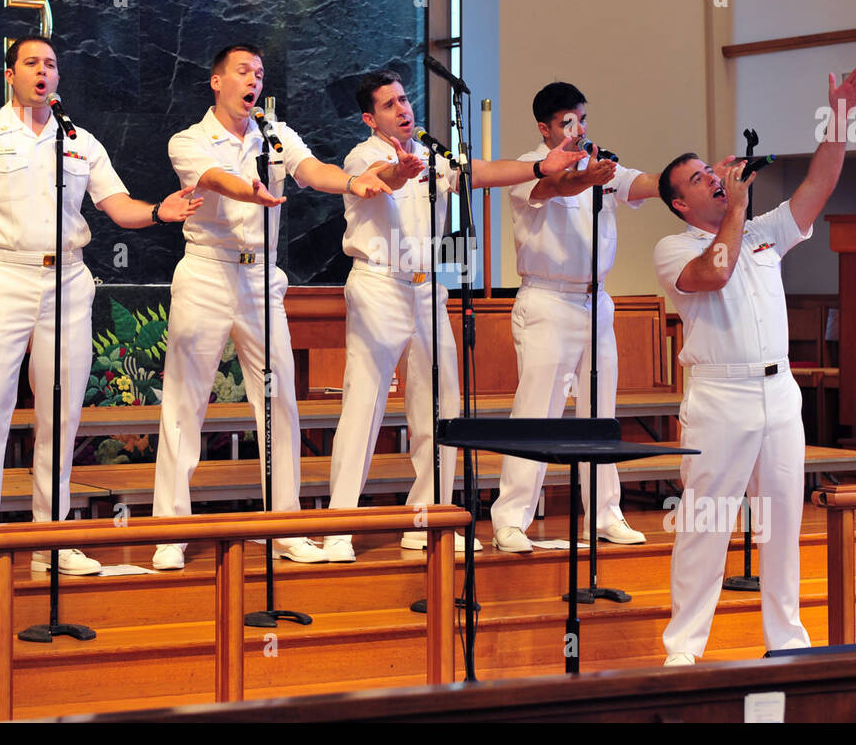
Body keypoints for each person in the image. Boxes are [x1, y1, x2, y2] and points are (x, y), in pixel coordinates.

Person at [0, 35, 200, 586]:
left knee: (62, 412)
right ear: (11, 75)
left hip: (70, 280)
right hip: (5, 274)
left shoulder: (78, 140)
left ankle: (50, 540)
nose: (42, 72)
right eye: (31, 63)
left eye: (51, 65)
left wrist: (159, 210)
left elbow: (116, 206)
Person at [321, 69, 585, 562]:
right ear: (369, 118)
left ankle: (427, 520)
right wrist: (401, 171)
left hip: (427, 291)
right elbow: (384, 178)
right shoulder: (364, 155)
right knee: (365, 406)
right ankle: (339, 526)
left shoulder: (433, 154)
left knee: (442, 407)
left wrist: (541, 169)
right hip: (379, 284)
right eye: (390, 105)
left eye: (405, 99)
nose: (403, 109)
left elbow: (480, 173)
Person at [150, 45, 392, 570]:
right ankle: (170, 530)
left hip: (261, 276)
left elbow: (313, 170)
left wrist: (353, 182)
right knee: (185, 402)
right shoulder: (189, 139)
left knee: (279, 399)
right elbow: (213, 179)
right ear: (217, 82)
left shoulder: (276, 135)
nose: (252, 81)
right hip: (208, 270)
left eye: (259, 74)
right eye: (242, 72)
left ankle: (284, 524)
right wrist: (249, 191)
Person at [654, 67, 856, 665]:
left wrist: (839, 116)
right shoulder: (674, 250)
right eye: (700, 179)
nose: (714, 180)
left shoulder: (765, 232)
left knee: (782, 523)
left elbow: (820, 184)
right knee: (705, 525)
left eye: (711, 172)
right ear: (680, 202)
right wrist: (737, 205)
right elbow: (716, 272)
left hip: (780, 394)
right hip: (720, 398)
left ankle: (787, 641)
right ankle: (684, 648)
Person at [489, 82, 657, 553]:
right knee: (537, 411)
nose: (577, 128)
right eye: (566, 122)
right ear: (545, 128)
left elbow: (641, 183)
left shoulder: (601, 165)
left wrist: (681, 180)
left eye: (581, 118)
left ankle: (605, 512)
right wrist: (592, 175)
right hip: (547, 300)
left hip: (596, 301)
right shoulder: (530, 169)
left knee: (600, 409)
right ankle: (511, 519)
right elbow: (559, 185)